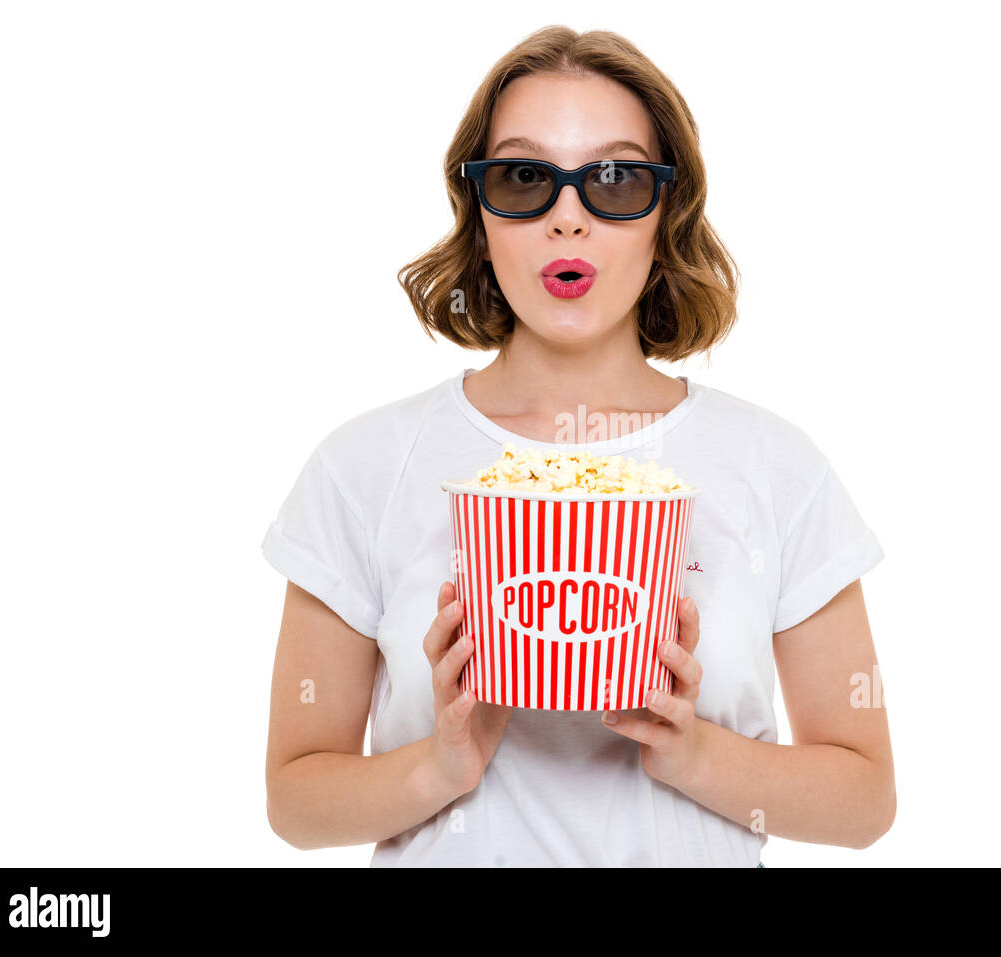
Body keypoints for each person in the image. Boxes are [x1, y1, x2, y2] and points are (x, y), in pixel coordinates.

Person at [260, 25, 895, 867]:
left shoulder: (775, 466)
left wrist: (694, 753)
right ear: (479, 209)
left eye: (616, 179)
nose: (569, 218)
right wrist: (439, 765)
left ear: (666, 211)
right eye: (525, 178)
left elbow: (864, 803)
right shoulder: (365, 467)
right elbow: (296, 802)